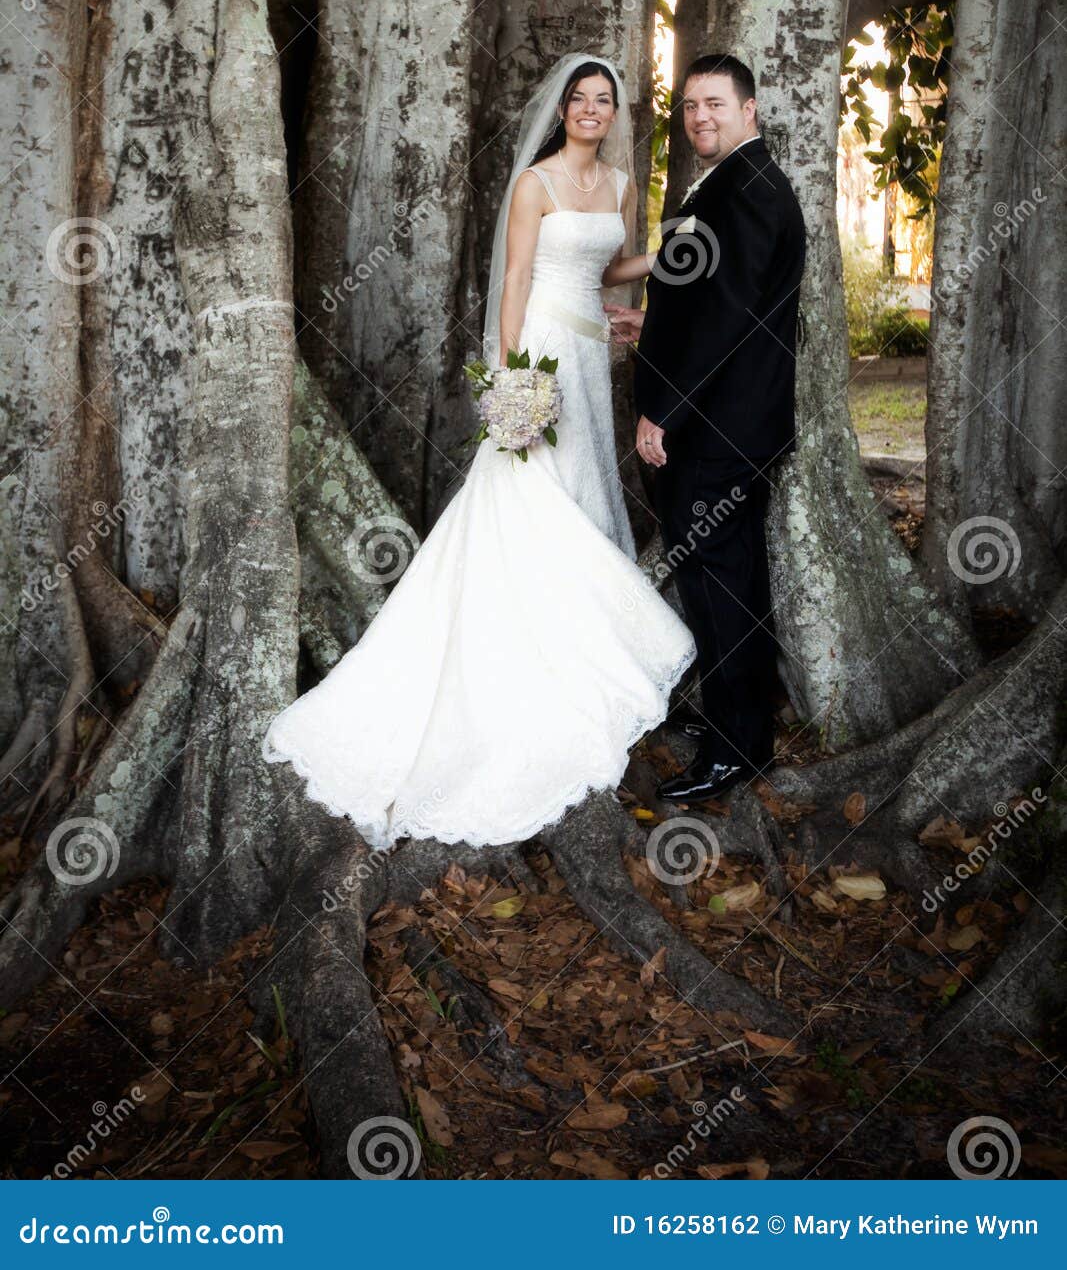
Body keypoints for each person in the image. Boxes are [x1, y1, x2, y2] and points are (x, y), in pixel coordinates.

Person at [262, 54, 695, 849]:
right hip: (539, 350)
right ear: (563, 110)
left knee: (583, 487)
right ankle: (521, 659)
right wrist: (512, 377)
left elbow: (612, 267)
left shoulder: (623, 189)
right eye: (580, 100)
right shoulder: (535, 184)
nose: (592, 111)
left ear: (615, 112)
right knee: (529, 491)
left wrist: (673, 254)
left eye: (604, 101)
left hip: (593, 353)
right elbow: (518, 276)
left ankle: (571, 642)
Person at [608, 54, 805, 803]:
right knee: (722, 575)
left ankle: (738, 747)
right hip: (726, 421)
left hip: (721, 428)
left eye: (715, 104)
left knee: (719, 581)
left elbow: (729, 320)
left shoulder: (748, 187)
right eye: (690, 106)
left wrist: (665, 409)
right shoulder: (728, 182)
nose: (700, 118)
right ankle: (735, 716)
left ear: (748, 110)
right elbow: (711, 302)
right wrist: (651, 323)